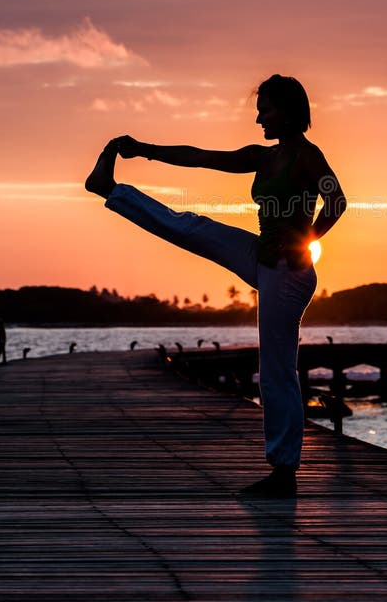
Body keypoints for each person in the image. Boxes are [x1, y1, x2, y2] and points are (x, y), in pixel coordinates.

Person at [85, 74, 346, 497]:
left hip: (288, 272)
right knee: (194, 227)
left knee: (276, 371)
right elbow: (201, 157)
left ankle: (284, 473)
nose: (259, 118)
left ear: (288, 112)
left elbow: (337, 201)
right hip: (262, 256)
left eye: (265, 110)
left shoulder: (308, 156)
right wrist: (145, 149)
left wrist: (307, 242)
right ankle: (111, 191)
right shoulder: (263, 157)